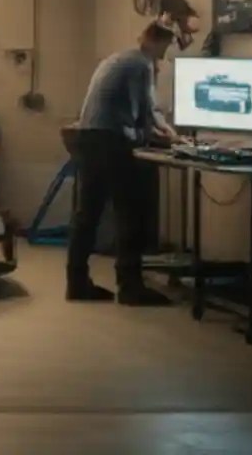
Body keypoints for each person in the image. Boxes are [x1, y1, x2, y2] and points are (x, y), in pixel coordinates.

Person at [67, 22, 176, 306]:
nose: (165, 55)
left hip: (88, 137)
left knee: (87, 214)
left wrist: (161, 130)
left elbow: (146, 112)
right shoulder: (141, 65)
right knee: (131, 213)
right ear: (156, 42)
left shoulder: (117, 58)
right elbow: (145, 117)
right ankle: (130, 286)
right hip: (111, 142)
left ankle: (76, 282)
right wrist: (173, 139)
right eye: (165, 47)